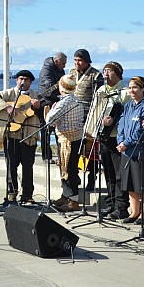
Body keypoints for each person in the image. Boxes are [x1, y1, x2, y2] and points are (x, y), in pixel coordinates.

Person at [0, 70, 44, 205]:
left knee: (28, 167)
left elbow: (43, 115)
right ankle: (11, 193)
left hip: (29, 136)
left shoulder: (36, 96)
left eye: (26, 79)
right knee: (11, 166)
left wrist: (37, 108)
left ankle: (27, 195)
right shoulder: (10, 93)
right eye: (20, 78)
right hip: (12, 135)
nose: (22, 81)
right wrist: (7, 107)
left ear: (30, 82)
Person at [88, 61, 130, 220]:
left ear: (118, 73)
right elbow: (95, 110)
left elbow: (126, 115)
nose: (105, 74)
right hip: (103, 136)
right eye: (104, 71)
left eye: (109, 71)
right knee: (109, 174)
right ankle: (111, 203)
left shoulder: (124, 92)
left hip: (117, 138)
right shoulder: (101, 90)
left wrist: (113, 120)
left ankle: (121, 206)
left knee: (119, 174)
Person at [43, 75, 86, 212]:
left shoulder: (64, 102)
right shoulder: (77, 100)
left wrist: (53, 108)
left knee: (68, 169)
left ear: (62, 87)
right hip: (76, 137)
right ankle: (65, 195)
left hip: (67, 139)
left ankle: (73, 201)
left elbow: (49, 119)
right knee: (67, 168)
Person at [116, 76, 144, 223]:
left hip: (140, 151)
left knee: (142, 185)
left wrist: (127, 142)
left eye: (135, 87)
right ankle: (134, 212)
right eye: (130, 87)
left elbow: (140, 130)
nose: (132, 90)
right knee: (130, 184)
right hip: (126, 151)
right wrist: (120, 141)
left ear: (142, 89)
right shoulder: (128, 106)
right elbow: (121, 125)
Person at [67, 49, 104, 190]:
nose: (77, 63)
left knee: (91, 151)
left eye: (80, 60)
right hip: (72, 118)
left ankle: (91, 178)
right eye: (75, 60)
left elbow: (99, 97)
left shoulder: (96, 75)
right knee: (74, 149)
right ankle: (74, 178)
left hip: (89, 117)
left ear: (87, 61)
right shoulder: (71, 73)